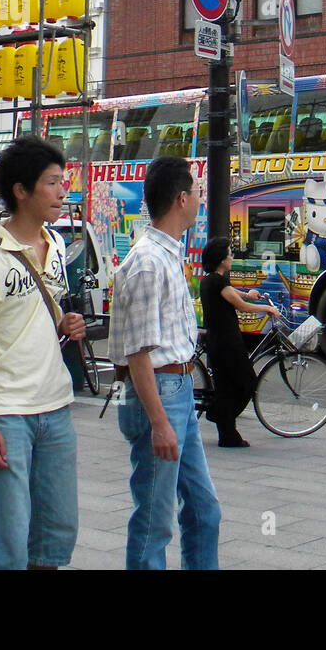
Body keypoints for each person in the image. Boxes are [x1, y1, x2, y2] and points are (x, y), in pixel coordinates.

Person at [0, 136, 86, 570]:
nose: (62, 192)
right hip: (7, 413)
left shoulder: (55, 248)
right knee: (5, 539)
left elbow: (39, 319)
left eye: (62, 182)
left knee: (55, 532)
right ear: (21, 190)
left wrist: (65, 325)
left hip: (56, 407)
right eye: (52, 183)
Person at [109, 157, 223, 569]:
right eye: (196, 192)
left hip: (178, 391)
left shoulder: (167, 254)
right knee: (155, 520)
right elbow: (138, 352)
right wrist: (159, 421)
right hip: (159, 393)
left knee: (203, 510)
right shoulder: (147, 262)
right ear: (180, 199)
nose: (200, 199)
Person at [199, 237, 281, 448]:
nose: (231, 256)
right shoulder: (218, 282)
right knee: (246, 384)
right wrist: (267, 309)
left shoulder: (210, 280)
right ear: (221, 259)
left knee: (227, 387)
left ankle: (227, 431)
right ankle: (220, 417)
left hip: (219, 341)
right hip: (227, 342)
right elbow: (241, 306)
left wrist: (249, 294)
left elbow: (232, 294)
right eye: (229, 253)